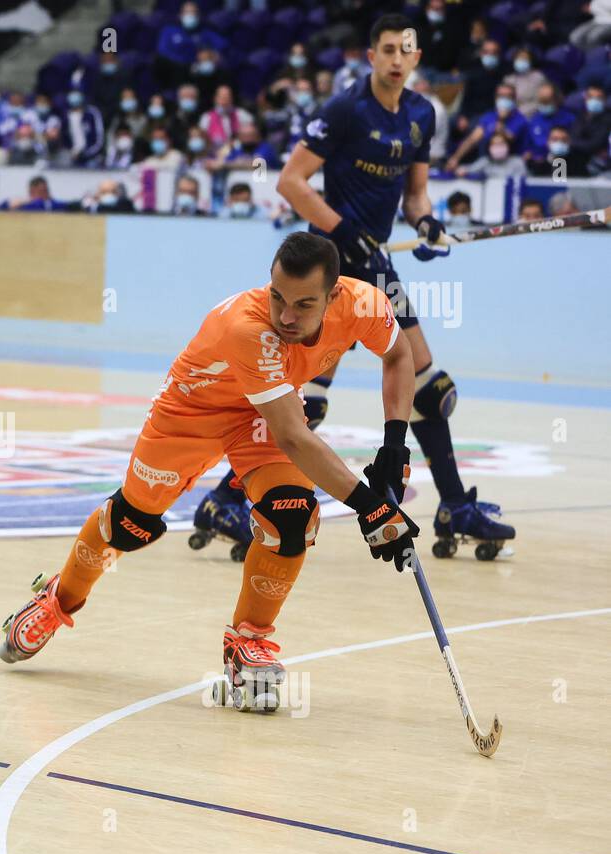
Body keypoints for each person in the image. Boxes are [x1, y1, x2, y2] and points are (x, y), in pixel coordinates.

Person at [0, 233, 419, 716]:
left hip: (263, 410)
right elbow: (294, 438)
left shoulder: (365, 303)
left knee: (291, 517)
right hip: (192, 411)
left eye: (304, 304)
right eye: (278, 297)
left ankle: (249, 642)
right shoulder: (249, 328)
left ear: (335, 295)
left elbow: (399, 355)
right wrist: (371, 507)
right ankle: (58, 600)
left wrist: (394, 444)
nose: (286, 316)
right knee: (130, 524)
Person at [192, 13, 515, 565]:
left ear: (415, 59)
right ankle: (225, 500)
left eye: (404, 50)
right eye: (386, 48)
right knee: (306, 406)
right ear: (371, 56)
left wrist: (428, 225)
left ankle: (455, 506)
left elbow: (415, 197)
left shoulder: (421, 114)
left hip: (376, 265)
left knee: (429, 389)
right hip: (329, 271)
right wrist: (345, 233)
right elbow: (292, 182)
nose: (395, 58)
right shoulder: (344, 109)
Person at [444, 82, 529, 173]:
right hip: (489, 162)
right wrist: (455, 158)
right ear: (496, 98)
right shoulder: (489, 116)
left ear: (514, 99)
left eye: (507, 96)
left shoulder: (520, 119)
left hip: (512, 164)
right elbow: (472, 139)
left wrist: (501, 119)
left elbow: (508, 139)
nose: (503, 99)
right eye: (500, 96)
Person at [463, 130, 527, 179]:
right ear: (489, 147)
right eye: (494, 144)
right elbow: (469, 170)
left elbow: (525, 180)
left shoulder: (517, 161)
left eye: (501, 144)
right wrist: (463, 171)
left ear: (508, 146)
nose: (498, 147)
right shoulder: (485, 161)